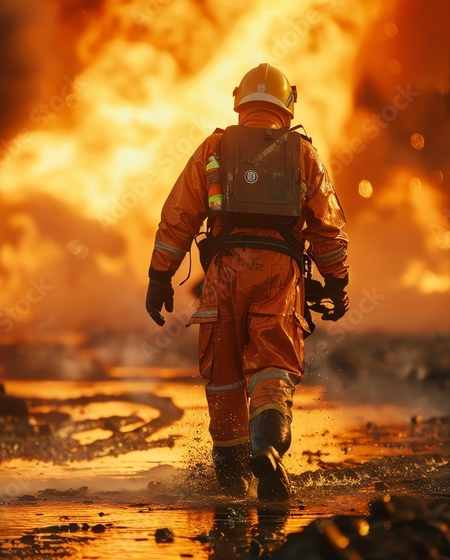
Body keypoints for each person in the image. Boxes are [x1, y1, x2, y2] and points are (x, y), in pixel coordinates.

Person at [145, 63, 350, 500]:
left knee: (223, 375)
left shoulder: (214, 147)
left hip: (222, 275)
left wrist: (159, 275)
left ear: (239, 103)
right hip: (279, 275)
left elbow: (178, 214)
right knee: (272, 363)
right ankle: (268, 450)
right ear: (287, 104)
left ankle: (231, 478)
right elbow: (328, 228)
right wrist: (337, 283)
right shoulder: (303, 153)